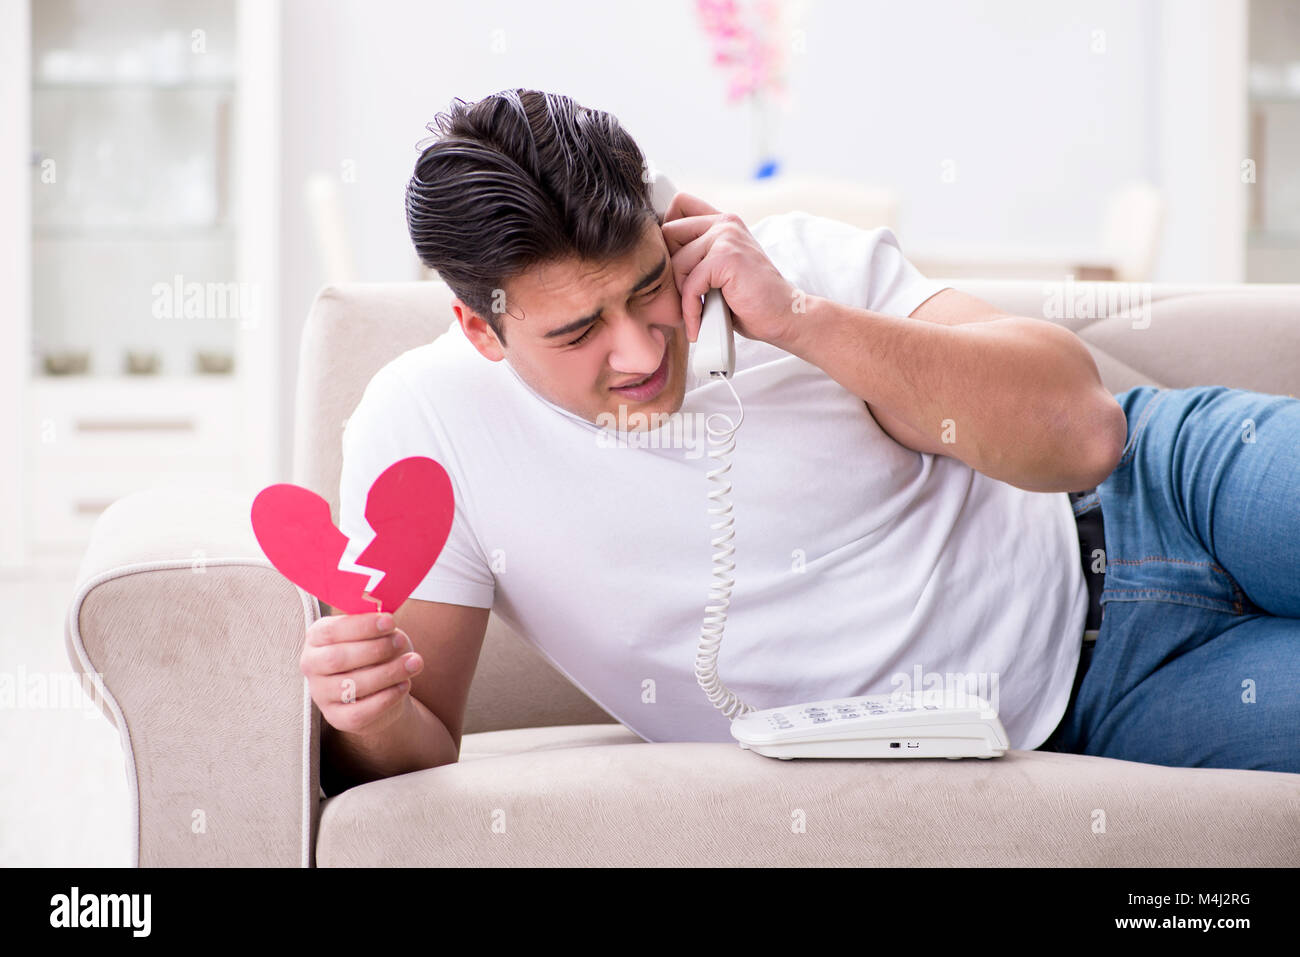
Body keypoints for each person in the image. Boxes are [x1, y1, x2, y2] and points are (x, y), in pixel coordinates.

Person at [331, 88, 1298, 783]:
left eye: (643, 289)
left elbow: (1086, 434)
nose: (636, 352)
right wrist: (363, 710)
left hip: (1175, 482)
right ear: (479, 329)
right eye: (578, 332)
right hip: (1102, 689)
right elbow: (425, 742)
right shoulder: (427, 427)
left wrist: (798, 319)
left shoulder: (784, 263)